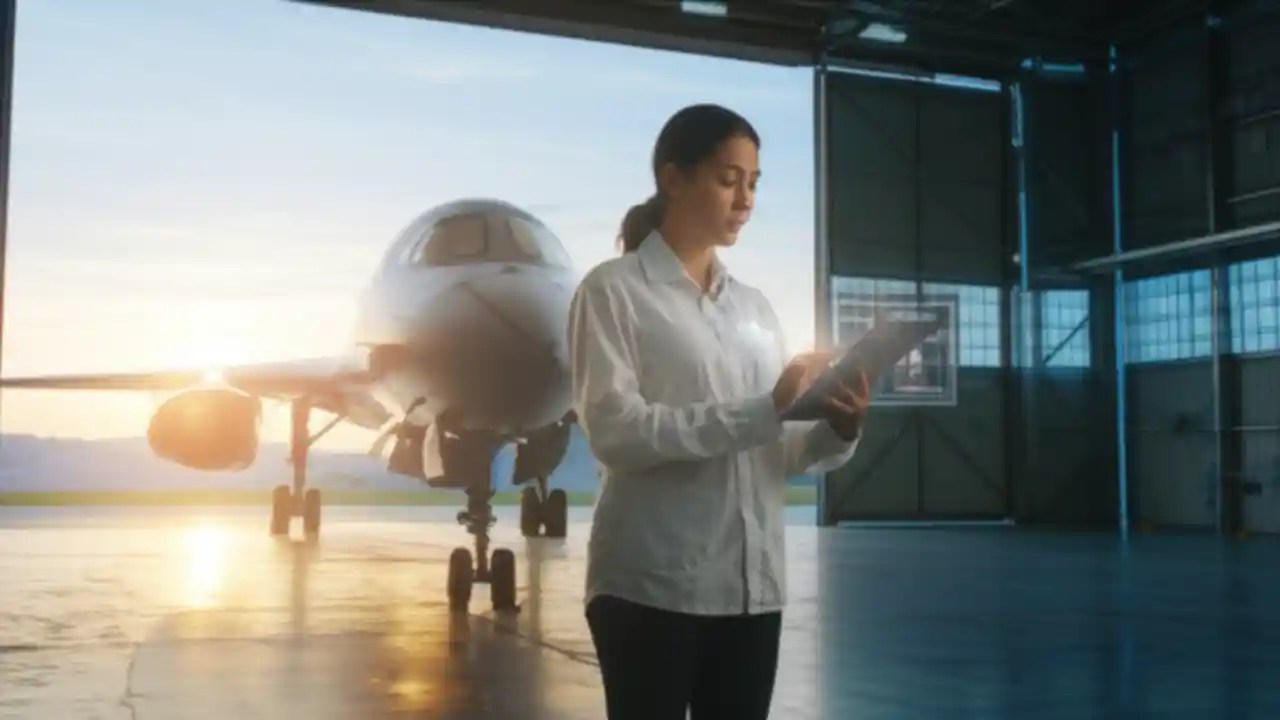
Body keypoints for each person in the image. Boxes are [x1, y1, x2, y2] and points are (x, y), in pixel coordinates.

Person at [567, 103, 869, 720]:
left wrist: (836, 429)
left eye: (753, 183)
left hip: (751, 591)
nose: (745, 199)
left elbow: (775, 451)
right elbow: (616, 433)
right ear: (673, 177)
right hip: (651, 587)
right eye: (728, 179)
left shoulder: (753, 308)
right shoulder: (613, 291)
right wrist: (765, 409)